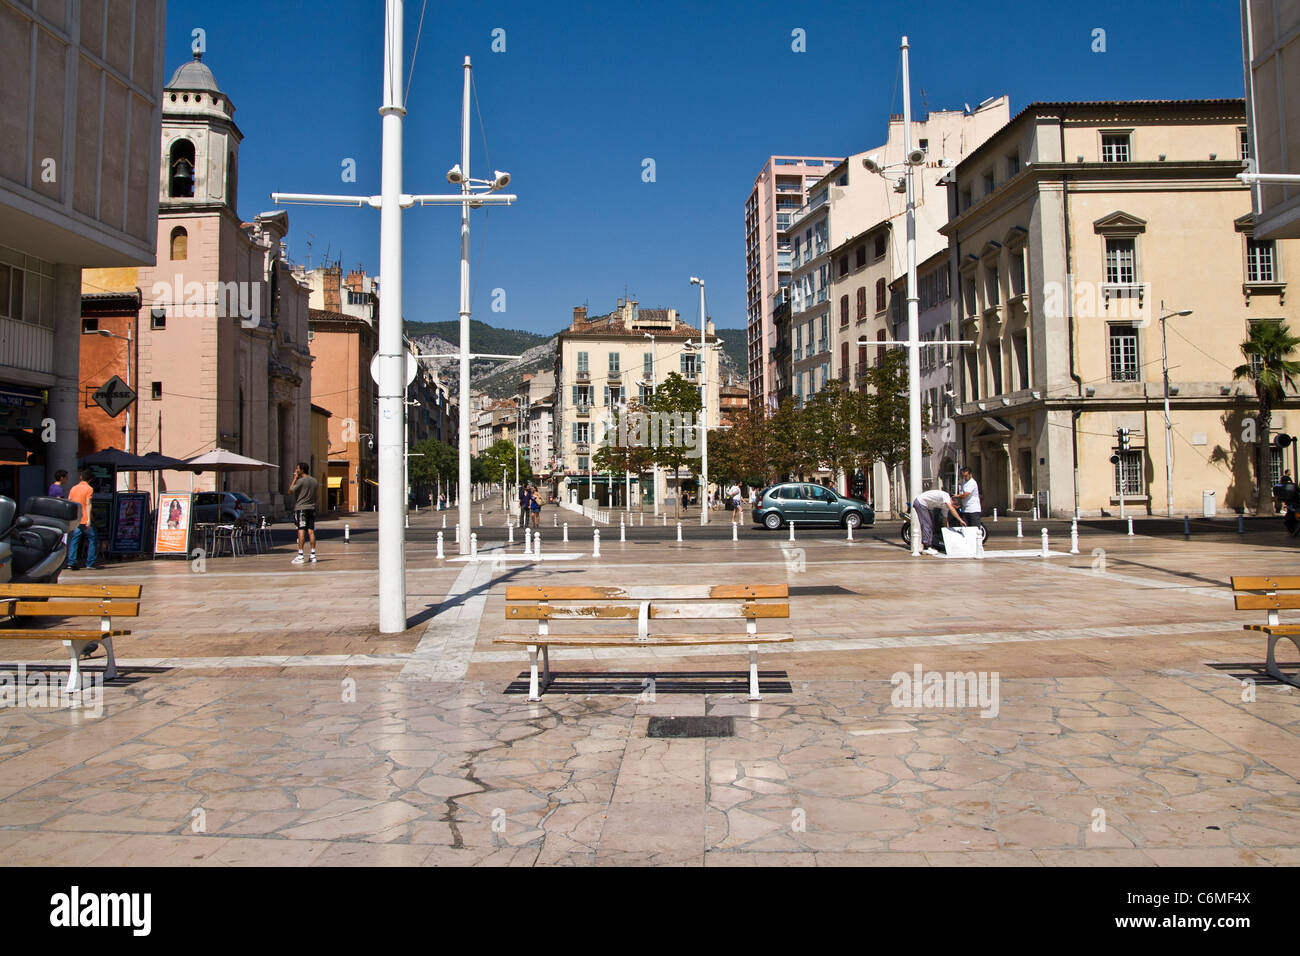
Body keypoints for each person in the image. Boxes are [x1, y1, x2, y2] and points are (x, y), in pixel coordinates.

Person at [911, 487, 965, 554]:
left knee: (931, 524)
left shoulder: (946, 507)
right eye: (954, 507)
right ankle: (926, 547)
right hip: (920, 502)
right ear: (953, 503)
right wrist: (960, 519)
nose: (953, 509)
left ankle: (928, 545)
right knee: (927, 524)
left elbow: (945, 519)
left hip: (926, 506)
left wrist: (948, 531)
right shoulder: (946, 496)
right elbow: (951, 509)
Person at [66, 470, 97, 571]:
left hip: (76, 518)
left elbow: (69, 501)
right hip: (85, 518)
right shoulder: (89, 489)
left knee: (75, 540)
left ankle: (71, 562)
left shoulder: (73, 488)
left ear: (80, 477)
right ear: (91, 479)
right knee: (92, 539)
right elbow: (88, 503)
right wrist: (89, 519)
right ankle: (90, 563)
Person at [289, 462, 319, 564]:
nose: (296, 470)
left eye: (297, 469)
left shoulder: (301, 481)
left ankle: (300, 555)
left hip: (301, 508)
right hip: (311, 508)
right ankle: (313, 555)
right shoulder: (314, 481)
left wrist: (294, 478)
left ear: (302, 470)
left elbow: (290, 491)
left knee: (301, 530)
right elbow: (316, 495)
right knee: (311, 531)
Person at [952, 466, 982, 531]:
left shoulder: (972, 482)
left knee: (975, 529)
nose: (964, 477)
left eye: (966, 476)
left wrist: (957, 496)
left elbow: (965, 495)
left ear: (970, 474)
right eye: (963, 476)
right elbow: (962, 496)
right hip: (965, 509)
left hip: (973, 509)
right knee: (966, 529)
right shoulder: (964, 483)